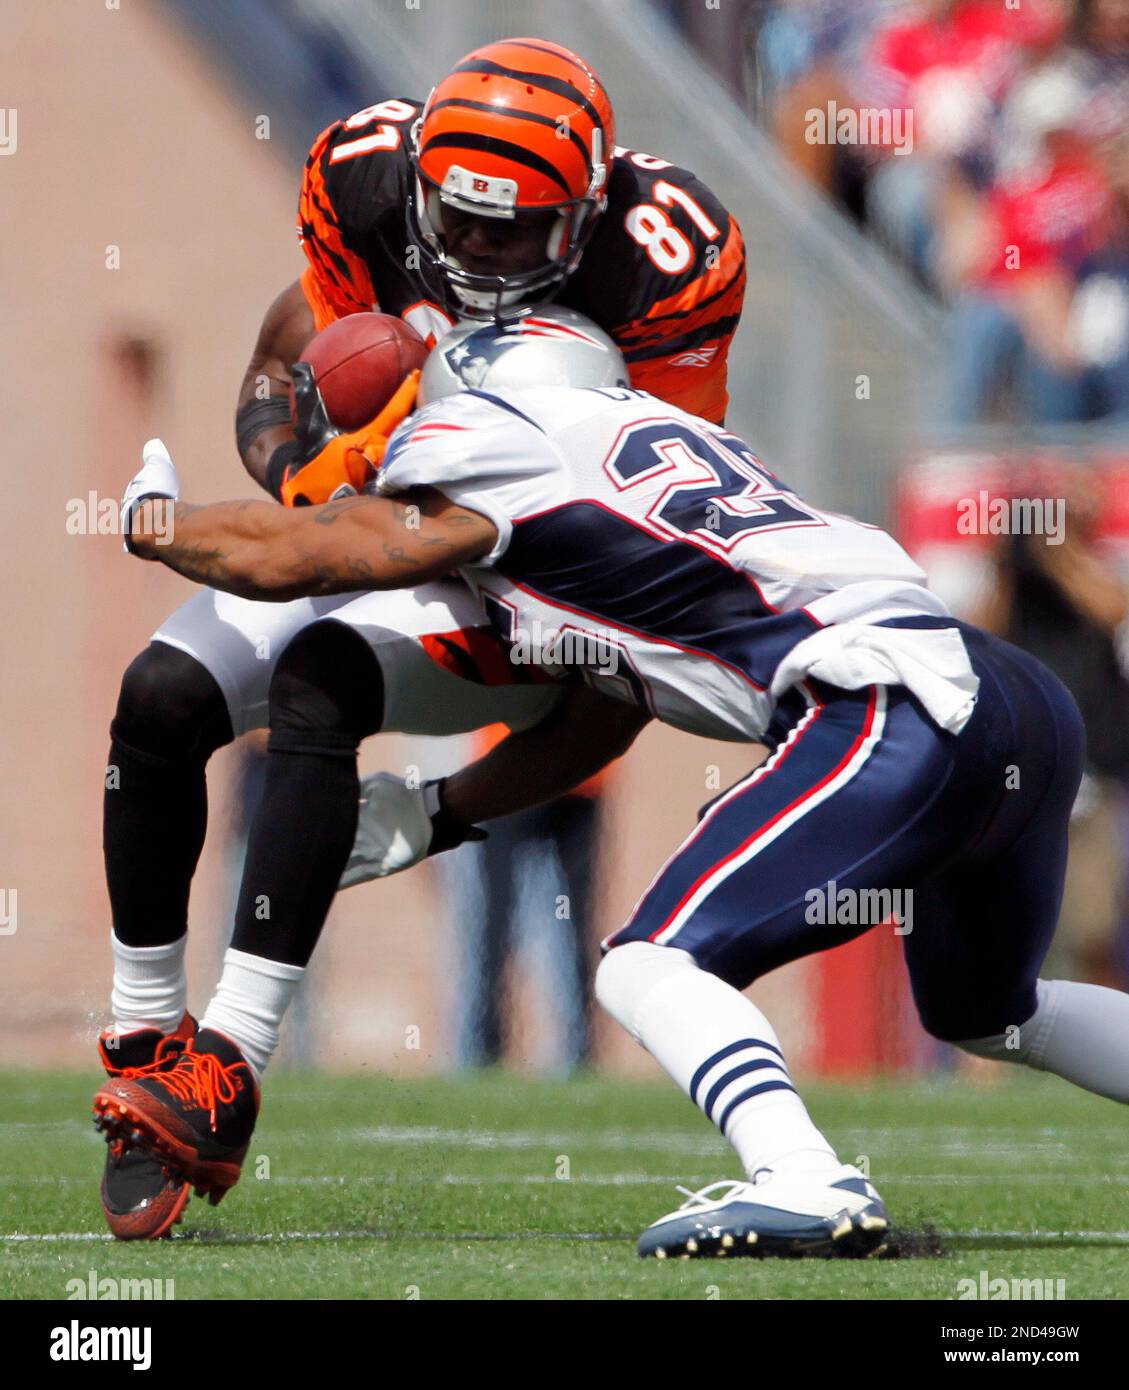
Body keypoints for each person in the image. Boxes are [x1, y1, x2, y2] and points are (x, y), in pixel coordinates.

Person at [100, 308, 1129, 1258]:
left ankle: (805, 1178)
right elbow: (605, 707)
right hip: (1010, 696)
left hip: (882, 701)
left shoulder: (500, 439)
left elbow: (320, 552)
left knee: (647, 962)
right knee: (991, 1012)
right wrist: (440, 810)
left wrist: (159, 523)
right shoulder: (664, 450)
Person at [94, 35, 747, 1239]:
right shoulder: (370, 181)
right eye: (465, 221)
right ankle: (146, 1026)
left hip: (525, 568)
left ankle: (229, 1059)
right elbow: (291, 349)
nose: (486, 250)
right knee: (162, 694)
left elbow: (642, 530)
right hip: (383, 507)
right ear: (425, 187)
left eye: (520, 230)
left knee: (320, 674)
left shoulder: (663, 264)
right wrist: (296, 468)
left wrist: (478, 771)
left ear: (588, 209)